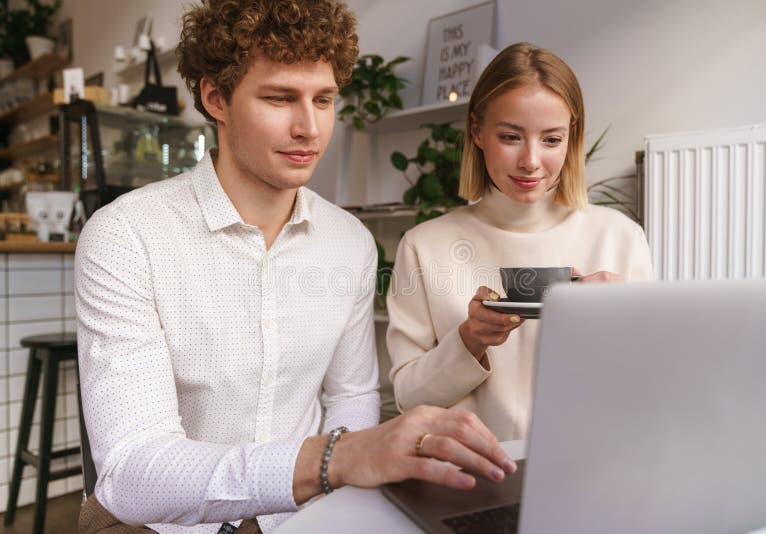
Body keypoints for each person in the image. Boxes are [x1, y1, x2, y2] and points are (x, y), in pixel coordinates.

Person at [75, 2, 515, 532]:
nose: (309, 127)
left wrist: (334, 491)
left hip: (304, 517)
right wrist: (332, 462)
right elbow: (132, 473)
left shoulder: (350, 242)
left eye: (324, 99)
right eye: (280, 98)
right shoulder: (127, 236)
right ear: (216, 98)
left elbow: (349, 396)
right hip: (166, 526)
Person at [386, 43, 653, 442]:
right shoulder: (424, 246)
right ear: (476, 131)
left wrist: (622, 328)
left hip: (587, 466)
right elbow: (408, 398)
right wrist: (470, 339)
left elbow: (651, 389)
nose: (530, 161)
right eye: (511, 136)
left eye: (551, 140)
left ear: (571, 137)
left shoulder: (620, 238)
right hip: (471, 475)